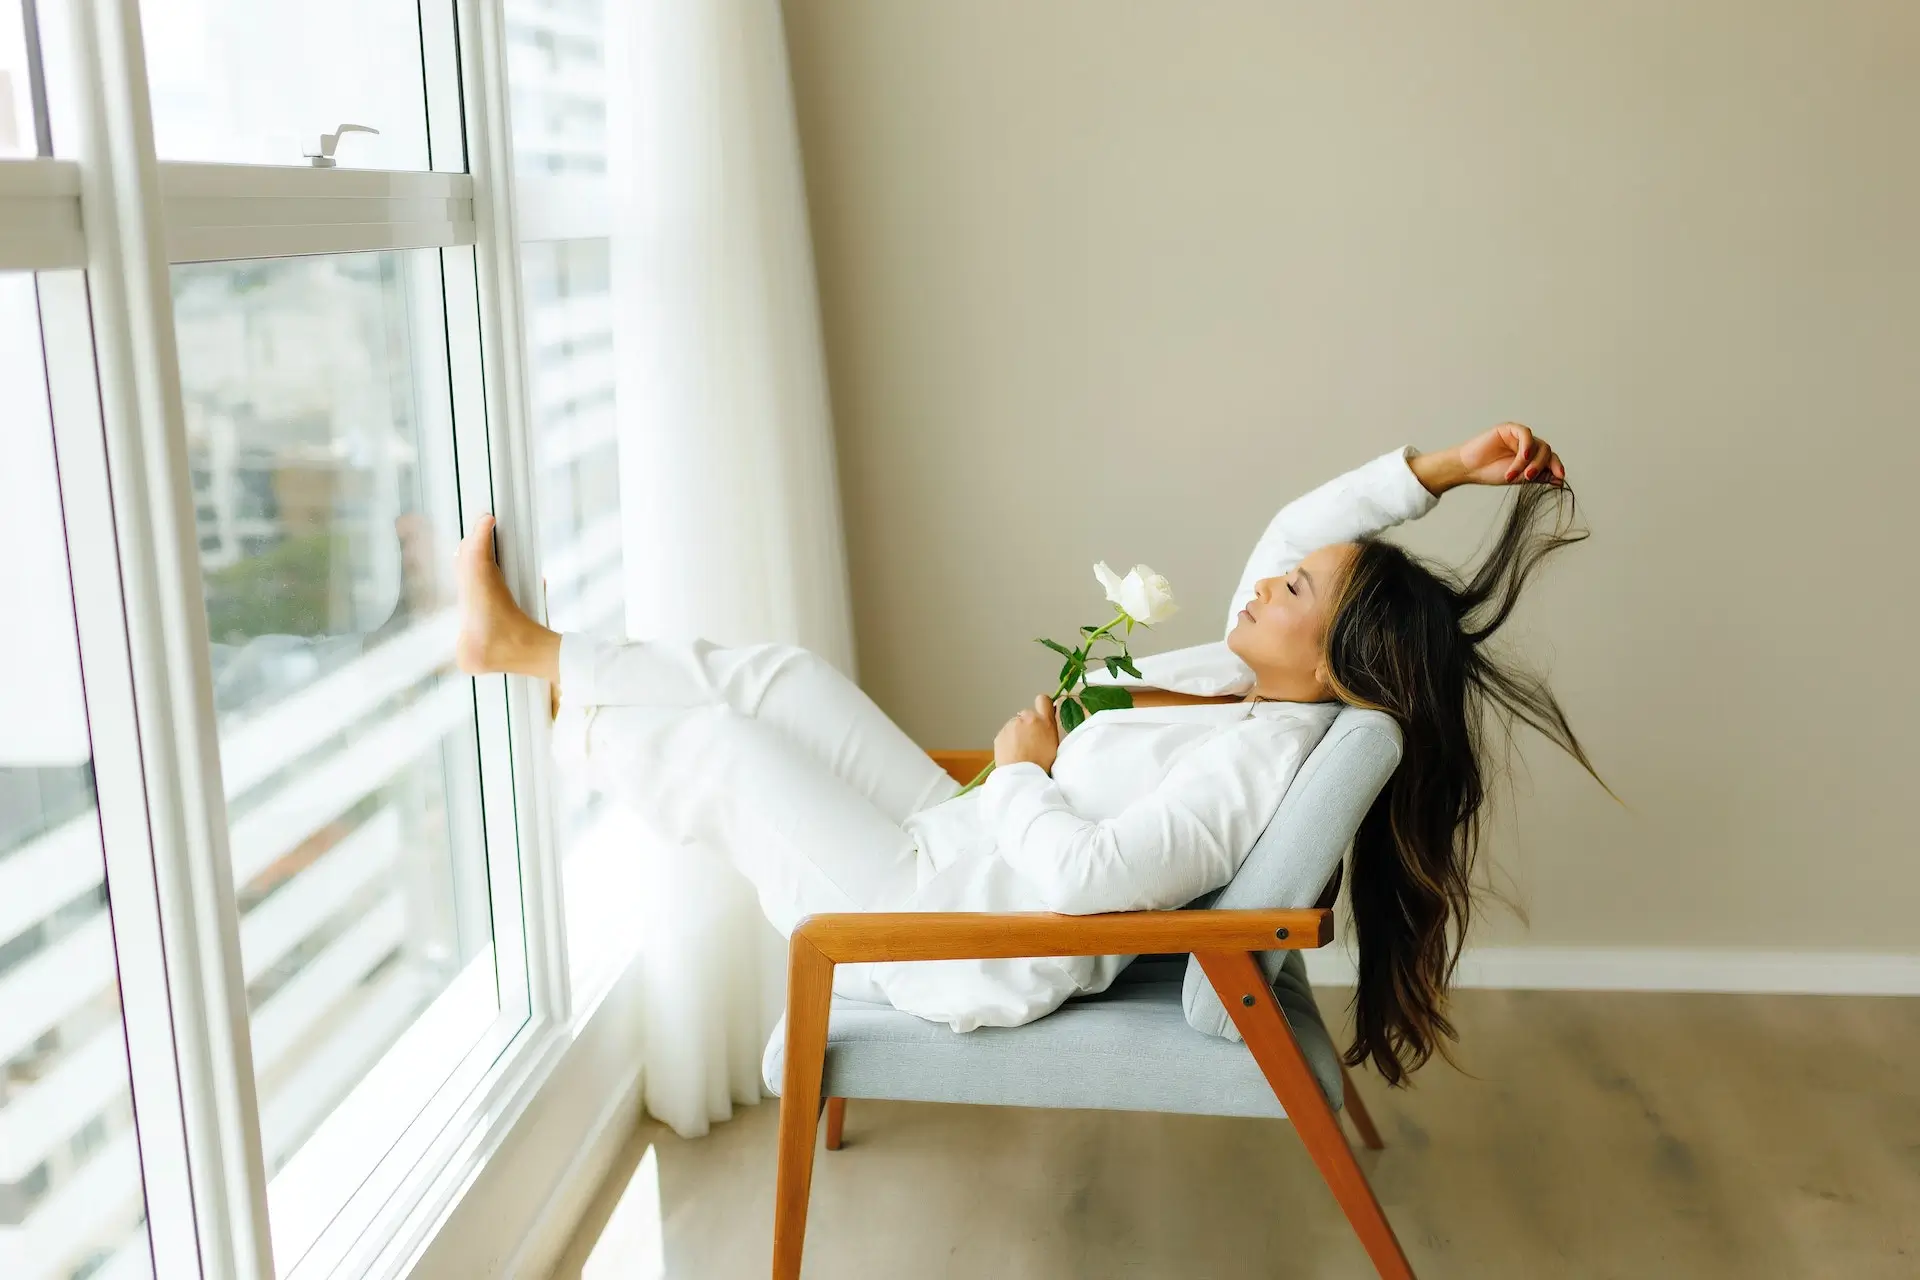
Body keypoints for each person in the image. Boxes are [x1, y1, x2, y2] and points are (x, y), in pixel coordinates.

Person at [454, 423, 1601, 1085]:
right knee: (787, 678)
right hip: (956, 850)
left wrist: (1018, 771)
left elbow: (1086, 885)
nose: (1267, 574)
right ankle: (534, 651)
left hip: (958, 933)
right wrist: (1446, 468)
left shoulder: (1251, 763)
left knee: (721, 747)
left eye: (1293, 588)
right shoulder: (1250, 678)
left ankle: (561, 710)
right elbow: (1308, 529)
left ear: (1339, 660)